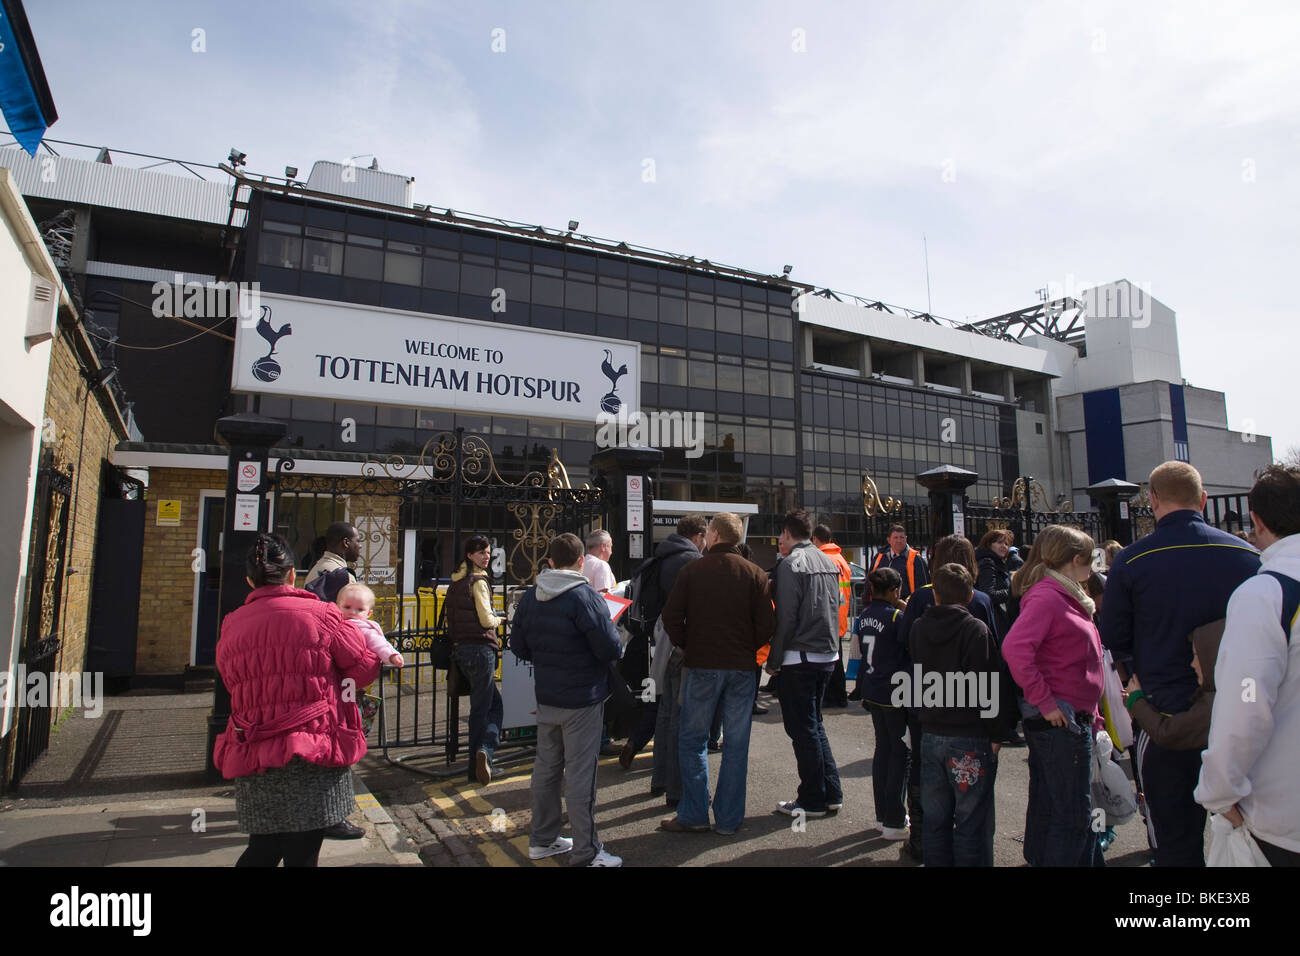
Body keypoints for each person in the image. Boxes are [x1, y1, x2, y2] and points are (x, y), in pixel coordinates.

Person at [1100, 461, 1260, 867]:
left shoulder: (1131, 561)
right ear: (1203, 500)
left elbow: (1114, 637)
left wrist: (1133, 687)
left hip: (1163, 713)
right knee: (1250, 837)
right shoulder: (1247, 555)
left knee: (1174, 843)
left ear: (1151, 500)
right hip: (1238, 714)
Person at [214, 533, 380, 866]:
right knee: (303, 852)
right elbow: (362, 669)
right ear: (292, 575)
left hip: (255, 746)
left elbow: (232, 681)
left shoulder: (231, 624)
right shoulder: (323, 615)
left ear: (250, 581)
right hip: (313, 744)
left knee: (263, 846)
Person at [1196, 464, 1300, 865]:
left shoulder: (1267, 593)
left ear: (1256, 520)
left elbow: (1246, 702)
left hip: (1279, 817)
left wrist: (1219, 792)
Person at [510, 533, 624, 866]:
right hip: (583, 697)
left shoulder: (532, 596)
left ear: (549, 562)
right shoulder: (583, 596)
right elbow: (610, 647)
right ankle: (587, 852)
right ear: (580, 562)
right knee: (580, 775)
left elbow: (518, 645)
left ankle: (542, 839)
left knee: (545, 769)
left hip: (547, 694)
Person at [658, 513, 775, 835]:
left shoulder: (693, 571)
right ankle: (729, 819)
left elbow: (671, 617)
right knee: (736, 744)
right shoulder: (755, 574)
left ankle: (694, 813)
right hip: (741, 668)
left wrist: (688, 644)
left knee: (692, 740)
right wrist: (747, 647)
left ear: (713, 535)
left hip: (702, 664)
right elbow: (767, 624)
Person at [1002, 525, 1106, 867]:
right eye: (1090, 559)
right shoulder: (1049, 596)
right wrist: (1045, 702)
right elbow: (1016, 649)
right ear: (1075, 560)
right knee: (1073, 817)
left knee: (1053, 806)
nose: (1093, 567)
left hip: (1068, 713)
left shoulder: (1060, 594)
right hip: (1060, 717)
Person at [910, 563, 1003, 866]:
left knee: (935, 819)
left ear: (934, 594)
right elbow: (987, 685)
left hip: (931, 730)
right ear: (969, 594)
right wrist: (996, 732)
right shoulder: (975, 629)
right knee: (969, 820)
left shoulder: (918, 627)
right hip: (968, 732)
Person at [769, 510, 843, 818]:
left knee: (803, 729)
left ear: (786, 534)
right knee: (814, 726)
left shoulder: (790, 565)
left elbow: (785, 617)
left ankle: (812, 798)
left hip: (800, 655)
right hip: (826, 653)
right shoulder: (828, 561)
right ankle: (830, 792)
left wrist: (773, 662)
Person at [644, 515, 708, 806]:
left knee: (665, 713)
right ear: (698, 536)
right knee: (681, 719)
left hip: (661, 643)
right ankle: (676, 790)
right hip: (681, 645)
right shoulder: (692, 561)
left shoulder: (662, 555)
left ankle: (659, 778)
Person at [445, 535, 505, 786]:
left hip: (461, 649)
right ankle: (482, 755)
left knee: (488, 705)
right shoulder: (478, 581)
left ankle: (481, 757)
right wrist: (499, 619)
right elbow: (485, 619)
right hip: (480, 649)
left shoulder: (456, 582)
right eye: (481, 552)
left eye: (488, 552)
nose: (486, 556)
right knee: (486, 708)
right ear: (470, 555)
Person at [857, 567, 910, 840]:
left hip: (872, 688)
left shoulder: (864, 615)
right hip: (894, 691)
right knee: (899, 754)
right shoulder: (896, 617)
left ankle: (882, 815)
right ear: (894, 591)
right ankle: (894, 818)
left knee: (883, 750)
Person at [813, 524, 853, 708]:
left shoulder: (824, 558)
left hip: (829, 615)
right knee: (836, 657)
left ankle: (835, 696)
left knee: (831, 661)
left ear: (816, 539)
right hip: (841, 614)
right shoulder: (840, 559)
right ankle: (839, 695)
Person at [337, 582, 404, 667]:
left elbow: (379, 644)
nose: (352, 612)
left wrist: (391, 656)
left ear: (369, 614)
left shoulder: (363, 628)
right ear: (337, 606)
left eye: (360, 609)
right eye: (347, 607)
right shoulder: (334, 622)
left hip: (354, 667)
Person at [304, 521, 362, 601]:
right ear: (346, 542)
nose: (360, 546)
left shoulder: (315, 569)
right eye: (358, 541)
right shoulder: (345, 577)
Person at [871, 524, 929, 601]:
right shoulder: (879, 557)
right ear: (889, 540)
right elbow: (870, 580)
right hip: (881, 604)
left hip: (906, 605)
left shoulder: (916, 559)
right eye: (895, 538)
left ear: (906, 539)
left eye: (902, 537)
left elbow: (924, 585)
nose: (899, 541)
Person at [975, 529, 1014, 638]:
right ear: (989, 544)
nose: (1004, 546)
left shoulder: (996, 562)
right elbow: (988, 594)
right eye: (999, 542)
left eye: (1006, 544)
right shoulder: (988, 563)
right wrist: (1012, 591)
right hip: (994, 620)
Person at [582, 529, 616, 594]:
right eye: (610, 546)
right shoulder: (602, 565)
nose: (611, 552)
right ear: (603, 546)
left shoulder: (580, 564)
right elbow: (603, 596)